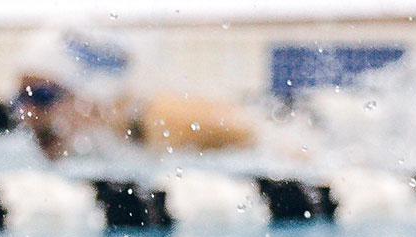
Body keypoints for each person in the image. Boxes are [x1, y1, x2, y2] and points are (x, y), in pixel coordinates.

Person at [13, 27, 257, 159]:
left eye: (42, 97)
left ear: (89, 98)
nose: (27, 113)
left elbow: (256, 135)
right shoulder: (99, 142)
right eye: (21, 99)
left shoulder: (158, 120)